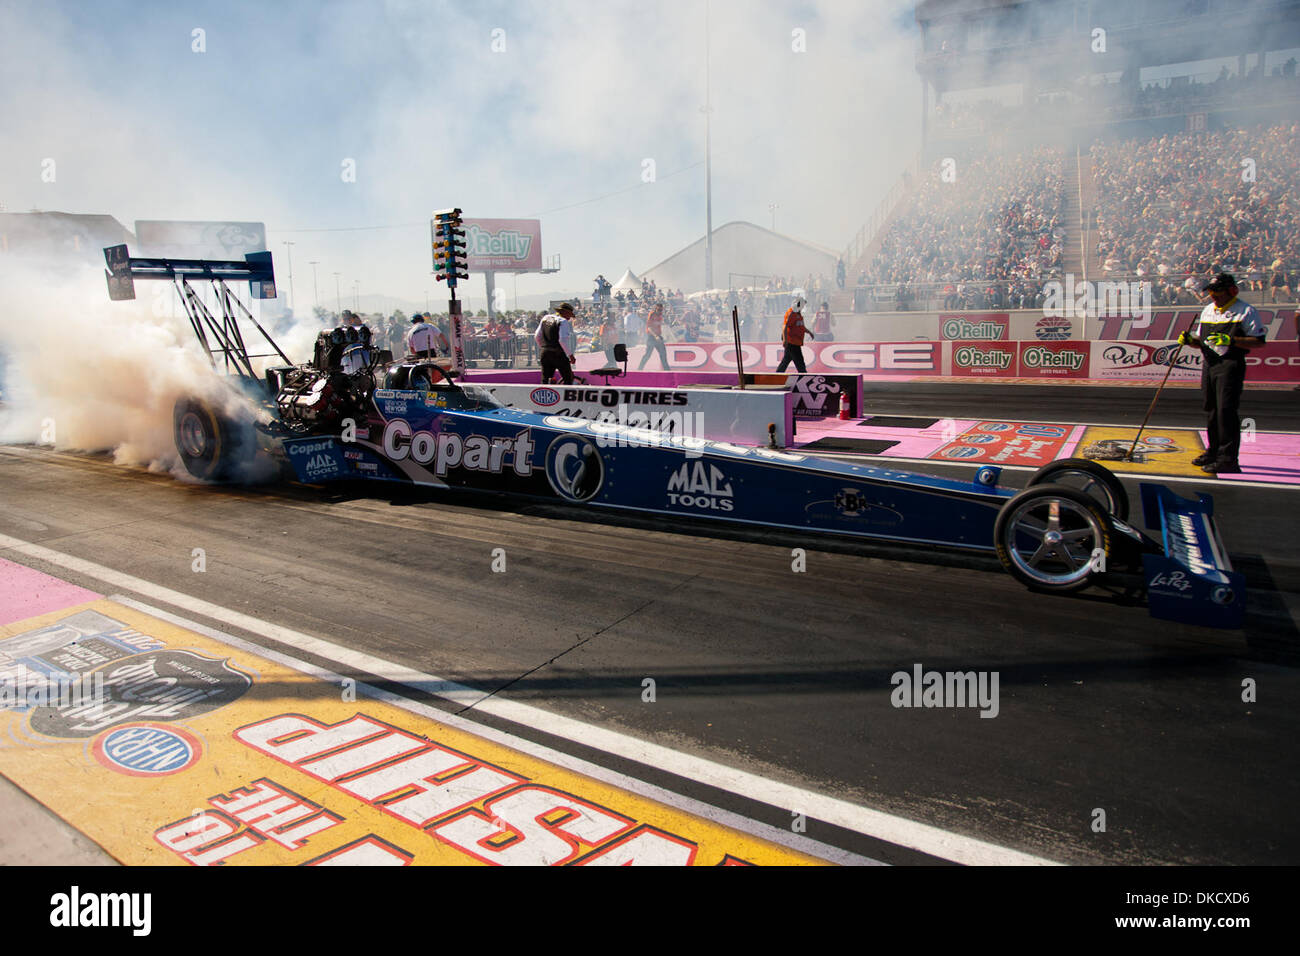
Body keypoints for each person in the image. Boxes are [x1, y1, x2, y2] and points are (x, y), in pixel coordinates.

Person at [1177, 273, 1266, 474]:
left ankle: (1228, 459)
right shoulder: (1208, 310)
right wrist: (1189, 340)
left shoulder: (1245, 311)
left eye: (1217, 292)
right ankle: (1214, 450)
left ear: (1231, 291)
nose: (1213, 296)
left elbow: (1259, 341)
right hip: (1210, 363)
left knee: (1226, 410)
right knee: (1211, 409)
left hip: (1230, 364)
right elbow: (1202, 341)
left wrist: (1232, 341)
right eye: (1211, 292)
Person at [535, 302, 577, 385]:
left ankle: (544, 395)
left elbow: (537, 336)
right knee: (568, 378)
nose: (569, 318)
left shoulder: (547, 318)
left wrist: (544, 348)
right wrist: (570, 355)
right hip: (558, 353)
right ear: (565, 312)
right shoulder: (563, 321)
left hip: (545, 353)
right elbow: (562, 340)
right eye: (569, 315)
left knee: (545, 379)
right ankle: (565, 397)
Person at [776, 297, 814, 373]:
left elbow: (801, 326)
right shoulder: (791, 313)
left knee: (786, 360)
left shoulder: (798, 314)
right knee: (799, 361)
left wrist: (809, 332)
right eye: (802, 305)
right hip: (791, 341)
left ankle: (777, 375)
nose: (803, 307)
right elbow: (784, 326)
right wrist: (785, 340)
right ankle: (803, 375)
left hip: (796, 341)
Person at [638, 302, 670, 370]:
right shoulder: (651, 314)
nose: (660, 311)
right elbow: (649, 327)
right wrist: (655, 336)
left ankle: (667, 370)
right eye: (658, 310)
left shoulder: (660, 315)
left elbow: (660, 325)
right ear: (655, 309)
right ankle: (639, 369)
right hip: (652, 337)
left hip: (658, 337)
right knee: (648, 355)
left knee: (663, 354)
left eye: (661, 310)